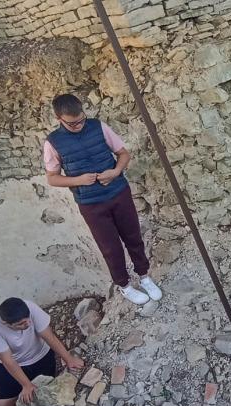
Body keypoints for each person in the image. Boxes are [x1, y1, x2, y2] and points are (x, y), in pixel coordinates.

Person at [43, 93, 163, 306]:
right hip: (90, 204)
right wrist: (79, 180)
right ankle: (125, 286)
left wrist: (115, 172)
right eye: (72, 124)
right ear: (58, 118)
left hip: (119, 192)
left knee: (133, 237)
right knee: (110, 248)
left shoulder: (98, 126)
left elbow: (123, 154)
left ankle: (144, 276)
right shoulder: (53, 142)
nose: (79, 125)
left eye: (81, 119)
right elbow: (52, 178)